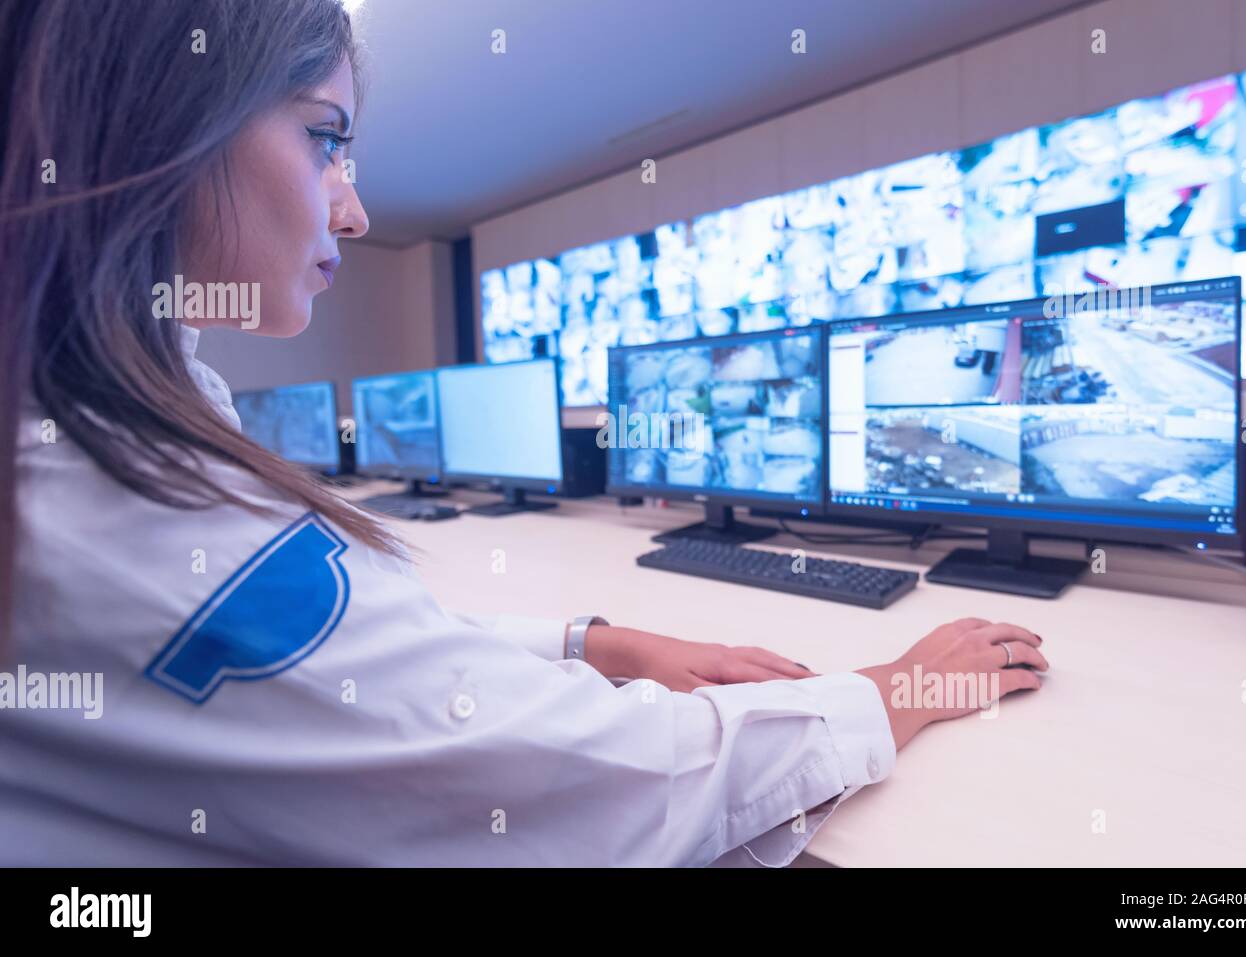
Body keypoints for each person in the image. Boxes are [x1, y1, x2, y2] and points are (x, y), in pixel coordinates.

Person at [0, 0, 1048, 866]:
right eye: (325, 138)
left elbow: (354, 664)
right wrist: (892, 693)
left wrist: (594, 642)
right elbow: (577, 787)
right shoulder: (119, 487)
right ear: (163, 121)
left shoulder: (119, 407)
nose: (353, 213)